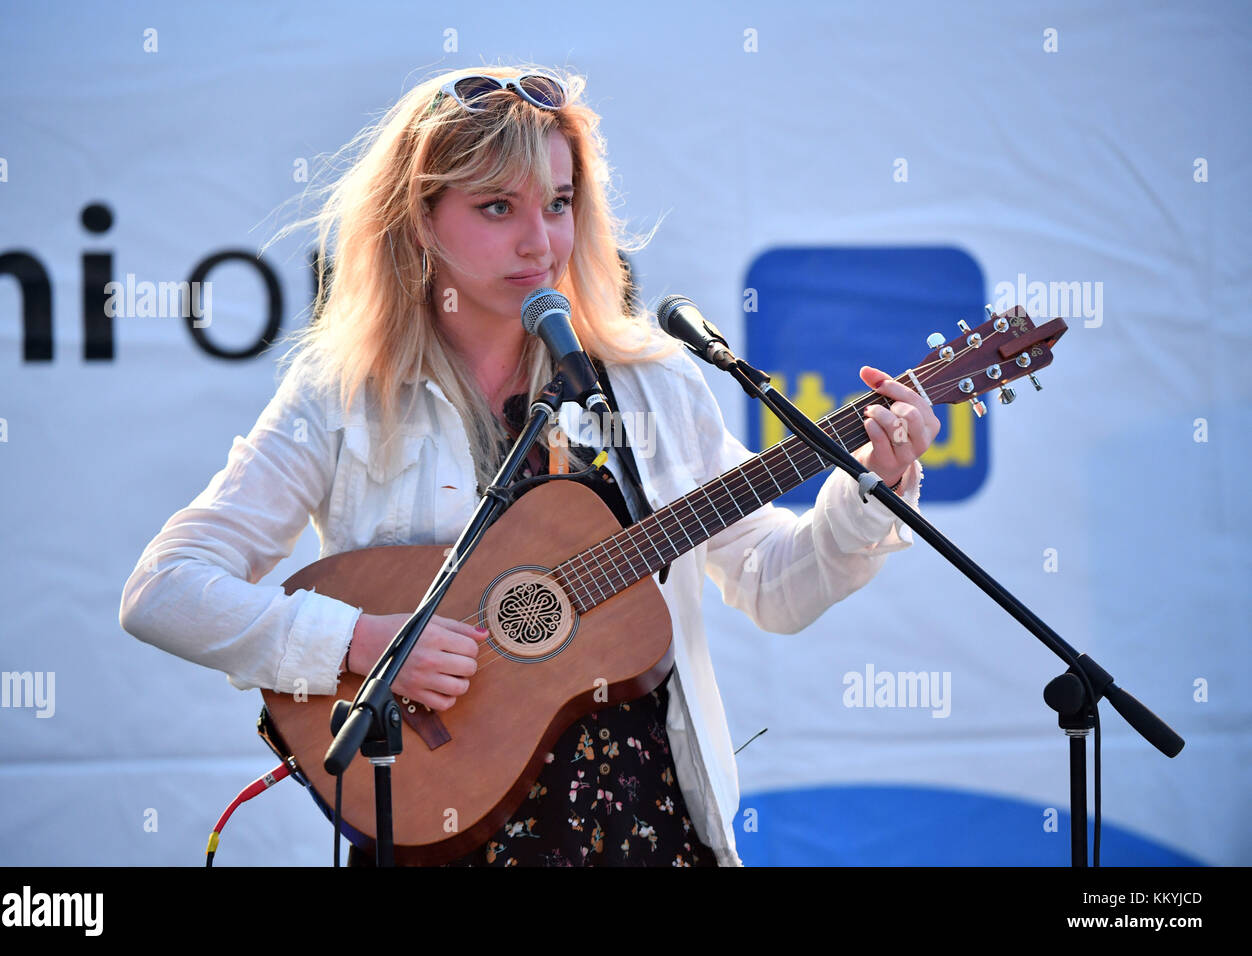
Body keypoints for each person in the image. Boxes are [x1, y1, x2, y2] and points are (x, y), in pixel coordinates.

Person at [118, 65, 940, 867]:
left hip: (645, 827)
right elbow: (165, 589)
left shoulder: (650, 381)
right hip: (444, 830)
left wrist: (873, 489)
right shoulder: (344, 397)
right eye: (497, 207)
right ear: (420, 220)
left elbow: (773, 585)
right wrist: (359, 640)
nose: (539, 241)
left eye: (558, 203)